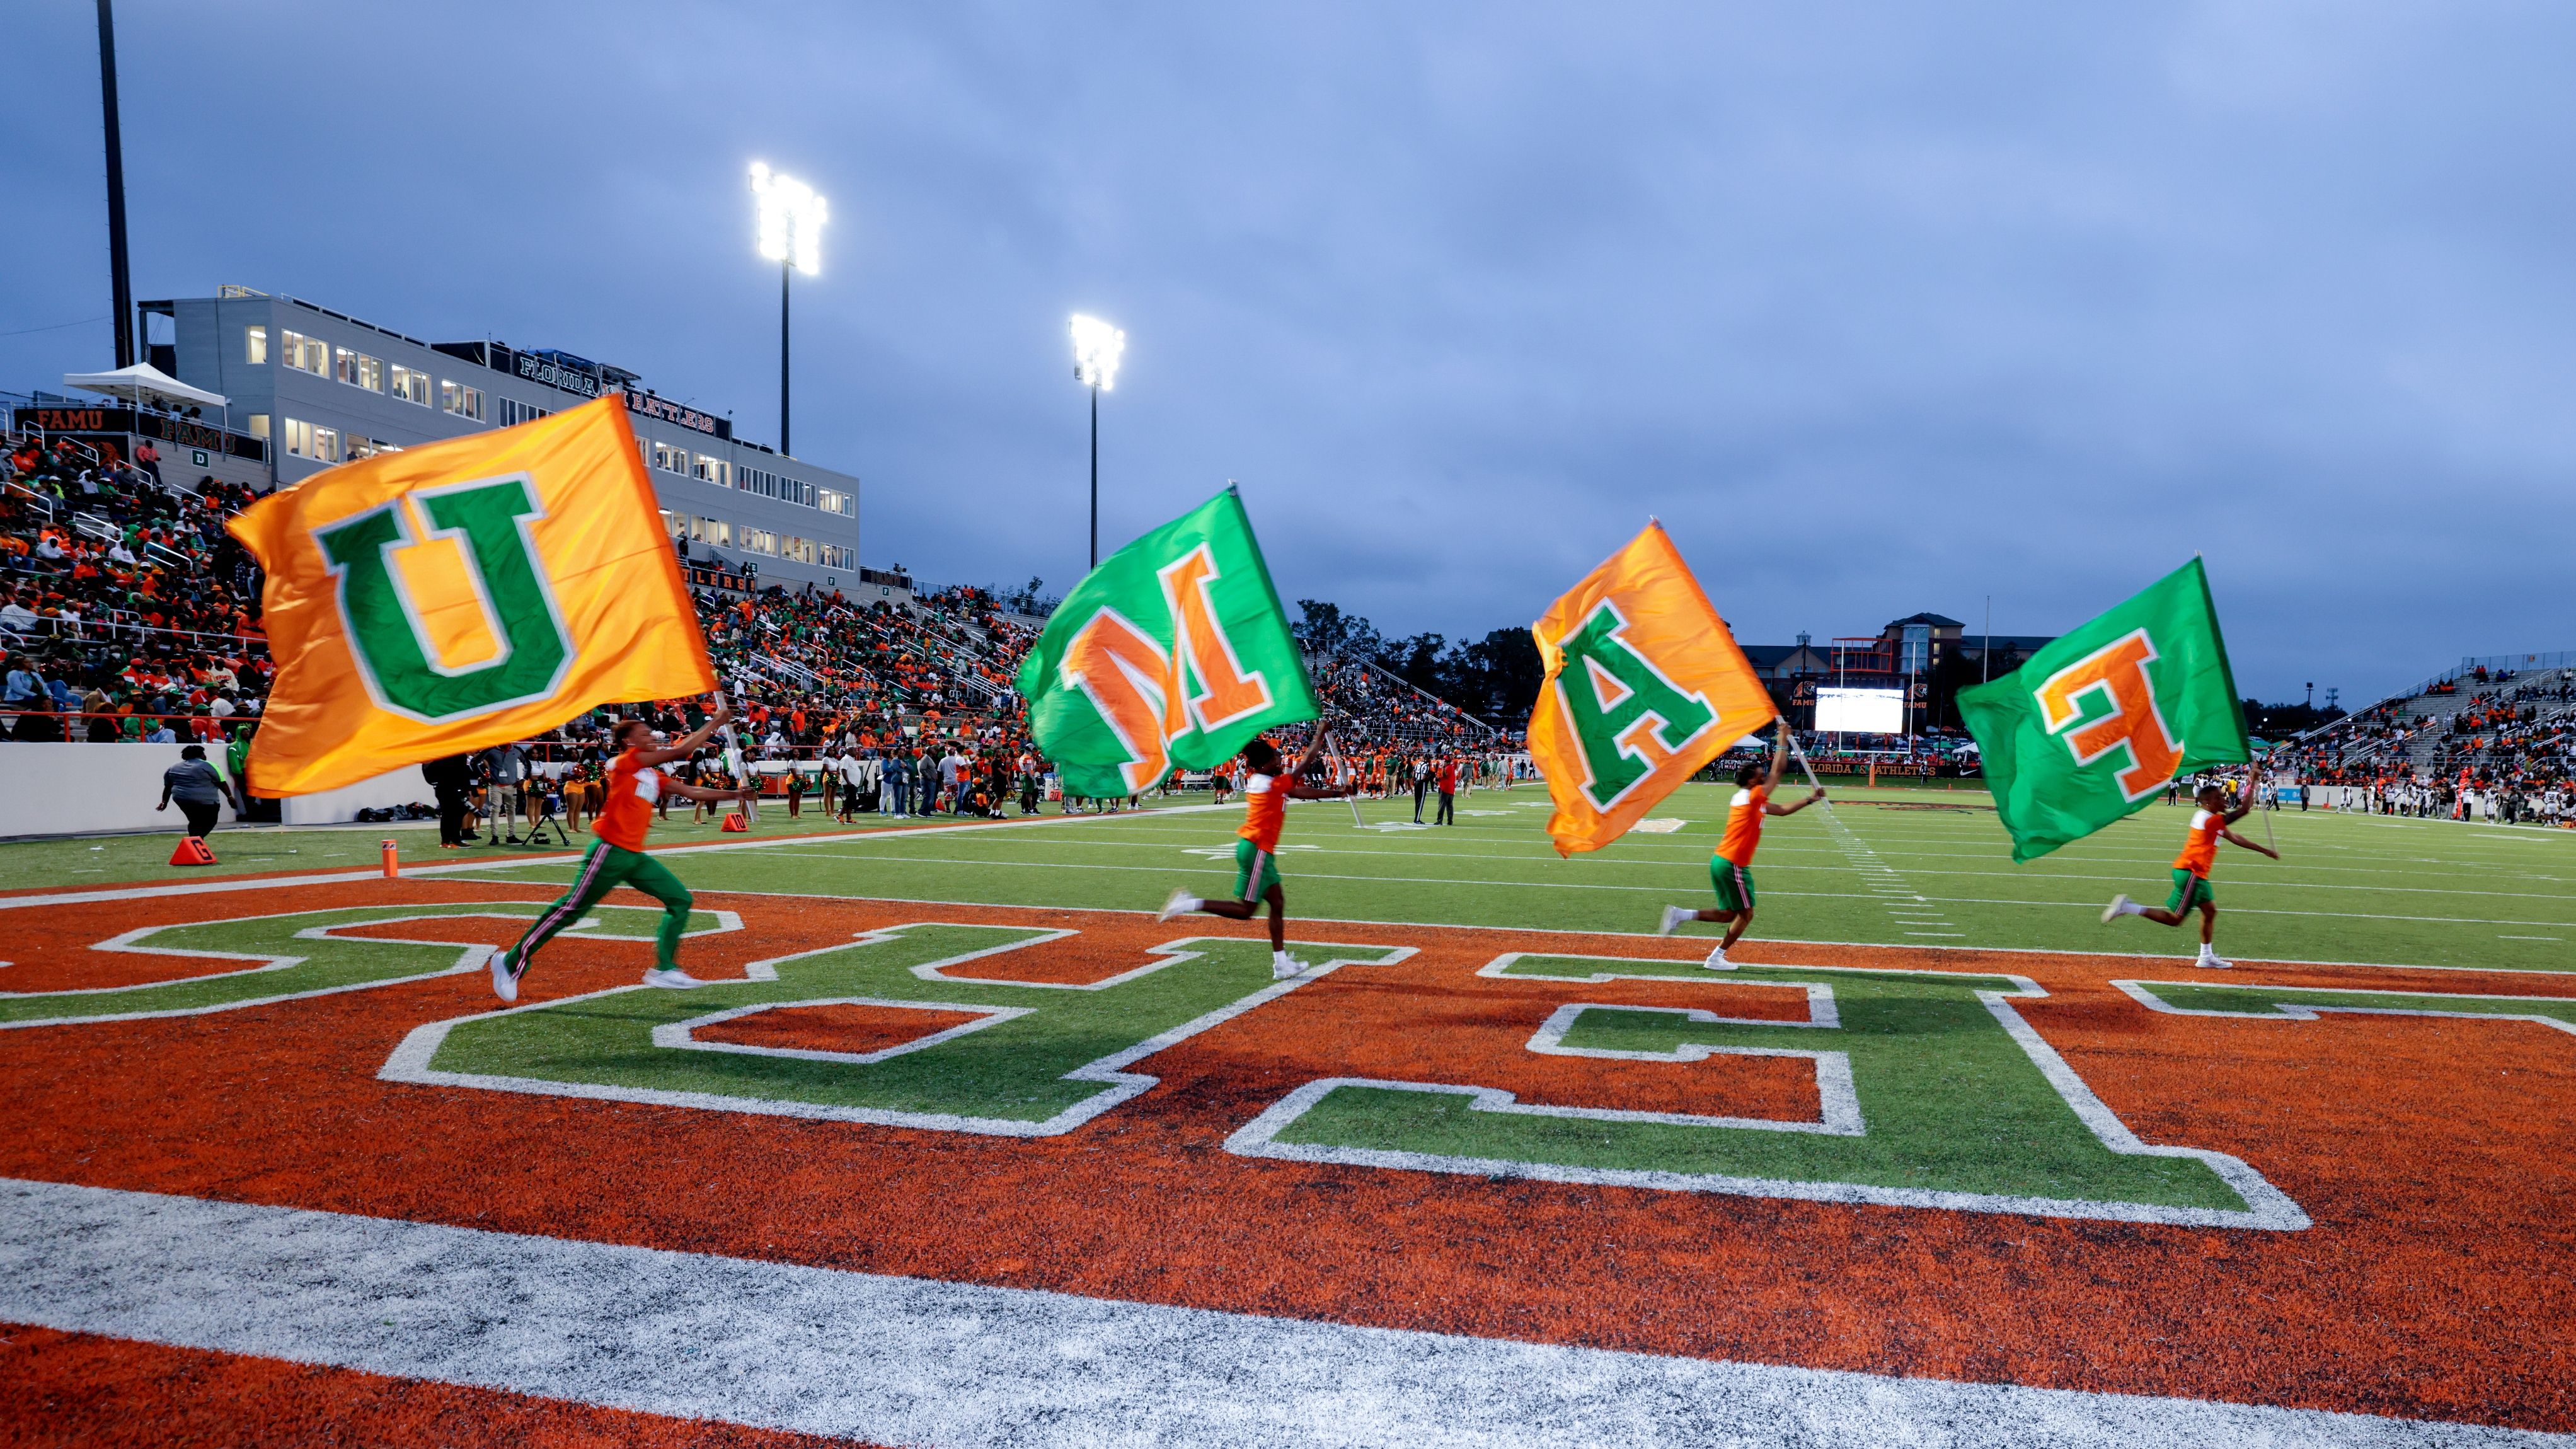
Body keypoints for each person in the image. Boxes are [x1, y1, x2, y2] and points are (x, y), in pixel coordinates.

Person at [488, 698, 760, 1002]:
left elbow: (692, 791)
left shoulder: (651, 775)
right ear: (629, 741)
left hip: (633, 856)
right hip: (609, 851)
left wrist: (736, 793)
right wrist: (715, 723)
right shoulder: (623, 763)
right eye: (644, 735)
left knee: (680, 900)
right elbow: (683, 751)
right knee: (569, 911)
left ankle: (665, 969)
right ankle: (510, 962)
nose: (651, 738)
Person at [1156, 733, 1359, 981]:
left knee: (1277, 902)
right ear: (1266, 763)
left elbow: (1299, 791)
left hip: (1257, 850)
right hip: (1257, 851)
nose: (1280, 759)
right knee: (1246, 911)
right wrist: (1319, 736)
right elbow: (1302, 768)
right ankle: (1188, 903)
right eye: (1276, 757)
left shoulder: (1266, 781)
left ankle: (1282, 963)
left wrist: (1338, 793)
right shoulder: (1268, 783)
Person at [1657, 727, 1826, 968]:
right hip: (1733, 864)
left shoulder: (1751, 800)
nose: (1765, 775)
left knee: (1729, 914)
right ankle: (1716, 958)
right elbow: (1779, 771)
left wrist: (1811, 799)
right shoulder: (1751, 796)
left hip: (1723, 862)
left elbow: (1784, 810)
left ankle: (1680, 915)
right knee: (1746, 915)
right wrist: (1782, 738)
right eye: (1760, 774)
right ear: (1751, 781)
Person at [2102, 776, 2282, 969]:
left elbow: (2235, 837)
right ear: (2207, 802)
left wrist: (2264, 850)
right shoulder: (2210, 820)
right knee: (2175, 920)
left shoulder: (2207, 818)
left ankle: (2206, 957)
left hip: (2195, 874)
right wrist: (2253, 782)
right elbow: (2244, 810)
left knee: (2210, 911)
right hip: (2191, 873)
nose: (2224, 800)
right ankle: (2128, 907)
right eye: (2219, 798)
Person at [157, 742, 236, 841]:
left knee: (194, 821)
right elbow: (221, 782)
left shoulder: (173, 767)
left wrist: (164, 802)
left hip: (181, 799)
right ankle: (195, 841)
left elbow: (168, 786)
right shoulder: (209, 765)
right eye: (204, 753)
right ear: (200, 755)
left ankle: (195, 844)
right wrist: (230, 797)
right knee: (210, 821)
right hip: (205, 800)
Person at [1434, 755, 1458, 826]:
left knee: (1442, 805)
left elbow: (1444, 775)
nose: (1443, 762)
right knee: (1450, 806)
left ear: (1446, 761)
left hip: (1445, 789)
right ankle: (1450, 821)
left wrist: (1438, 778)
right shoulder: (1452, 768)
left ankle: (1439, 821)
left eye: (1444, 761)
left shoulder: (1447, 768)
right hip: (1451, 790)